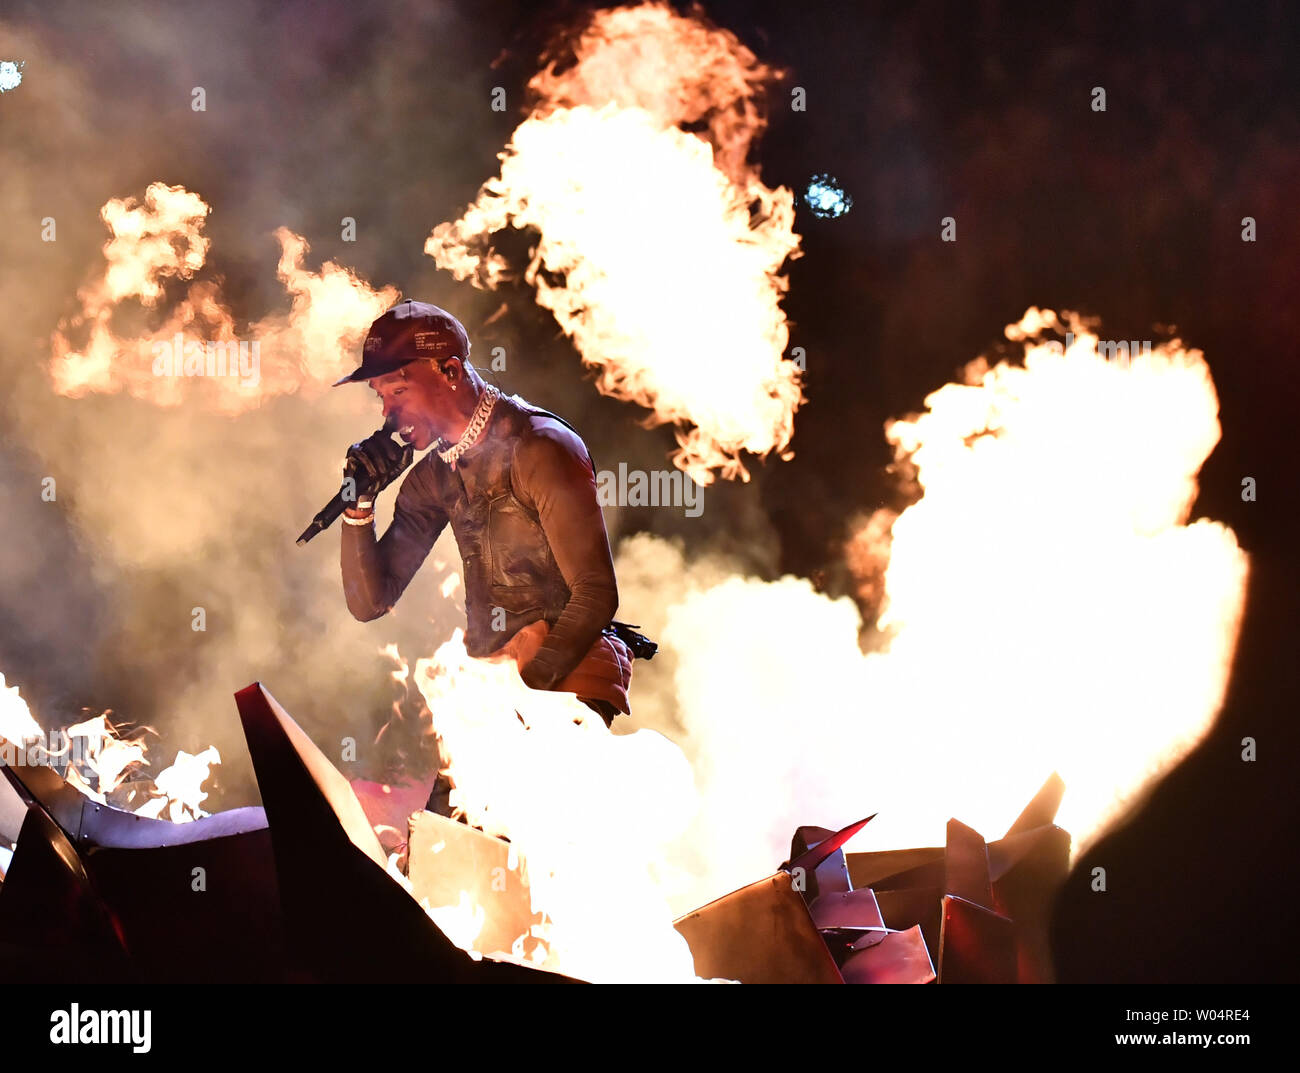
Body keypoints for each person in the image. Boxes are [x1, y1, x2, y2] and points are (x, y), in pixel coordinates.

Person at [334, 300, 653, 787]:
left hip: (566, 688)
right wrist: (360, 504)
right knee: (442, 847)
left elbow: (596, 594)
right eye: (381, 397)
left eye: (398, 390)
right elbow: (369, 602)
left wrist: (519, 701)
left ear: (450, 371)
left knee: (513, 848)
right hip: (501, 694)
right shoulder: (434, 477)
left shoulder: (540, 447)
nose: (388, 412)